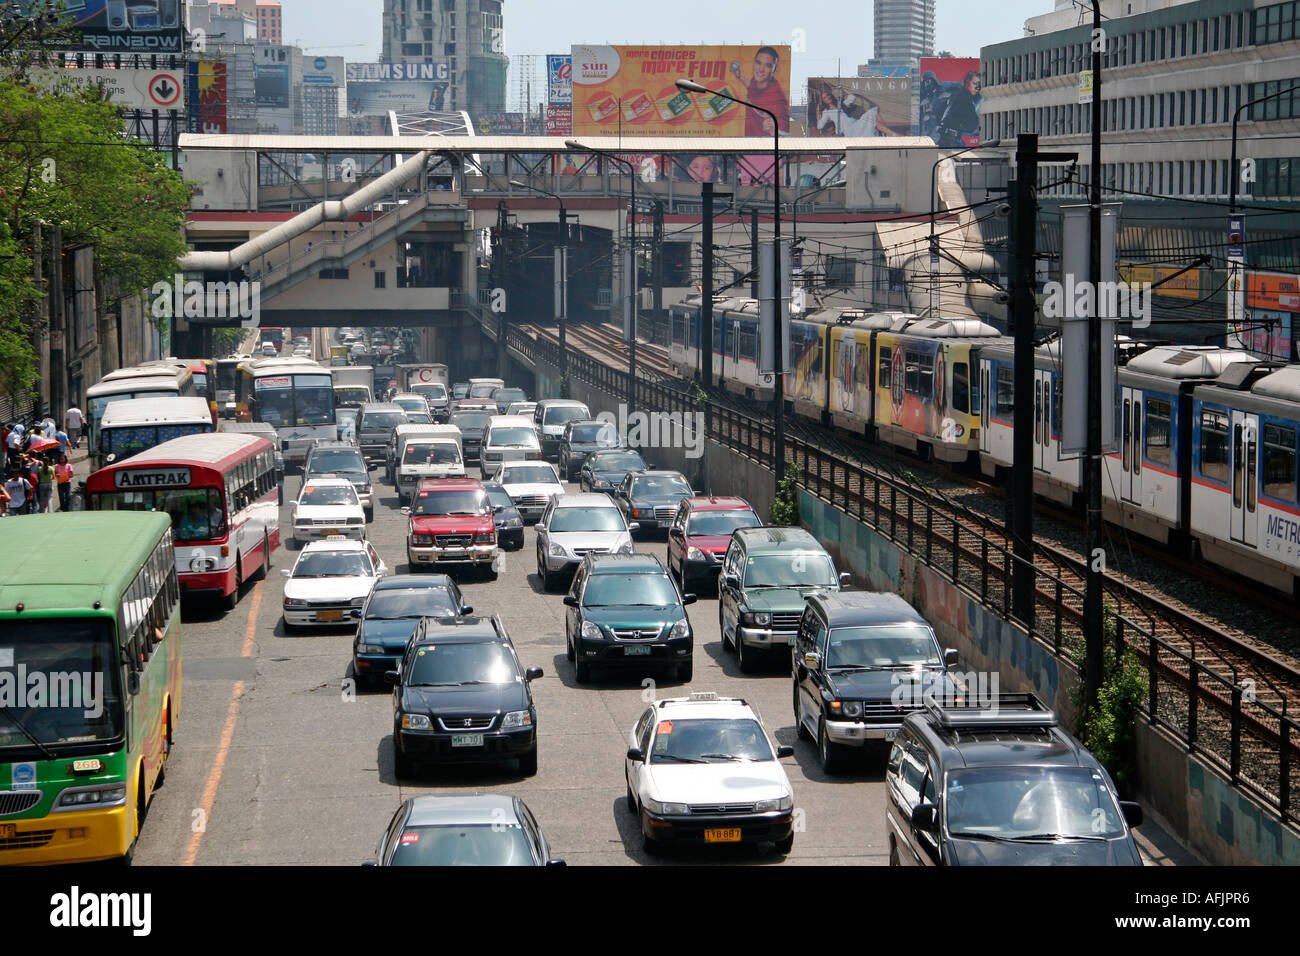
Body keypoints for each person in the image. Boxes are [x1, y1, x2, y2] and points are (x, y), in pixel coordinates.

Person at [729, 46, 790, 137]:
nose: (761, 69)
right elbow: (751, 86)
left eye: (768, 65)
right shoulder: (757, 82)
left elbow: (786, 131)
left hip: (764, 148)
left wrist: (775, 131)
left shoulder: (777, 98)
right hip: (748, 144)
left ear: (775, 69)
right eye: (758, 63)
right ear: (754, 63)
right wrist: (739, 75)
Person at [938, 71, 982, 148]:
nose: (977, 88)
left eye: (979, 85)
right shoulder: (964, 97)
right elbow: (972, 124)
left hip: (949, 137)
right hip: (950, 140)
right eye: (975, 84)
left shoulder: (959, 94)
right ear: (967, 83)